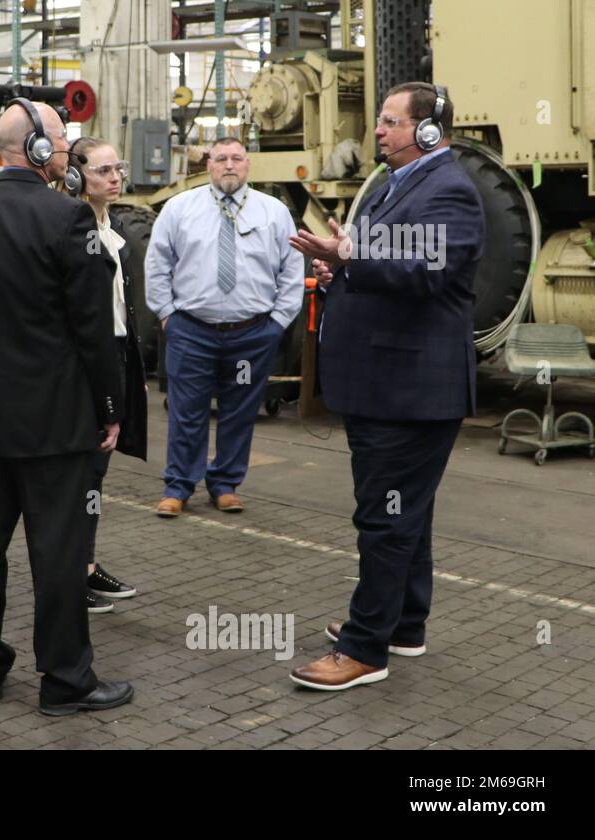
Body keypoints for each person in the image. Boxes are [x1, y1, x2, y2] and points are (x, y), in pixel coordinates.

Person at [0, 98, 133, 716]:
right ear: (40, 148)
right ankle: (66, 680)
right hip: (55, 427)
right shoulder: (69, 220)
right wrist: (109, 408)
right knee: (59, 555)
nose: (69, 149)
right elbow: (95, 333)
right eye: (63, 140)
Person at [287, 82, 483, 690]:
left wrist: (348, 261)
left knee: (384, 518)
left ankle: (365, 647)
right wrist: (339, 265)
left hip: (410, 391)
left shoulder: (450, 189)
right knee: (407, 514)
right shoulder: (396, 186)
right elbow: (380, 262)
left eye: (391, 122)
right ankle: (405, 623)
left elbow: (424, 270)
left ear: (429, 132)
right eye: (380, 120)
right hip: (387, 384)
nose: (377, 131)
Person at [145, 136, 303, 518]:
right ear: (208, 165)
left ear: (248, 164)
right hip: (192, 332)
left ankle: (225, 484)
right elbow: (157, 263)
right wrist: (167, 314)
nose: (229, 164)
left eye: (236, 158)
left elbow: (293, 269)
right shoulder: (180, 209)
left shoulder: (274, 212)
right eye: (220, 158)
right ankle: (178, 486)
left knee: (240, 410)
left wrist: (277, 323)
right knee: (187, 410)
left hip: (252, 336)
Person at [62, 136, 147, 614]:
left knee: (94, 477)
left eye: (118, 168)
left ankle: (86, 567)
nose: (115, 177)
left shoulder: (111, 226)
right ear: (75, 177)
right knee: (80, 477)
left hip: (113, 354)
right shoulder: (73, 232)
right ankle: (72, 575)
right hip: (85, 364)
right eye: (103, 171)